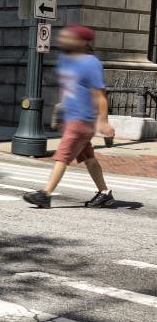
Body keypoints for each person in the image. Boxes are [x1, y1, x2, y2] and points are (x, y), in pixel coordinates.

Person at [23, 24, 116, 209]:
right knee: (89, 158)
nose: (62, 40)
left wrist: (104, 121)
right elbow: (68, 90)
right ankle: (104, 192)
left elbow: (100, 95)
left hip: (82, 120)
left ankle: (46, 195)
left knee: (62, 156)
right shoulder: (65, 60)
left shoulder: (91, 63)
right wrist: (60, 113)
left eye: (68, 37)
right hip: (71, 118)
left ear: (82, 42)